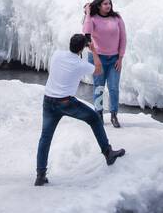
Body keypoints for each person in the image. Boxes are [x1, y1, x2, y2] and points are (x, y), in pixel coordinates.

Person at [35, 33, 125, 186]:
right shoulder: (80, 64)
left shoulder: (57, 55)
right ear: (82, 48)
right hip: (66, 102)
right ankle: (108, 153)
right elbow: (98, 70)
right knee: (94, 118)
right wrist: (94, 51)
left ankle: (40, 175)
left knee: (45, 137)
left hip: (48, 101)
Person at [83, 0, 127, 127]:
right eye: (105, 4)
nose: (108, 6)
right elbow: (86, 31)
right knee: (99, 87)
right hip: (98, 58)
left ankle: (114, 115)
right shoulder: (93, 19)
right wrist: (88, 14)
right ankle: (98, 114)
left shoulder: (117, 18)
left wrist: (120, 58)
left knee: (113, 88)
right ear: (98, 6)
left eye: (109, 3)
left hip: (114, 59)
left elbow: (123, 38)